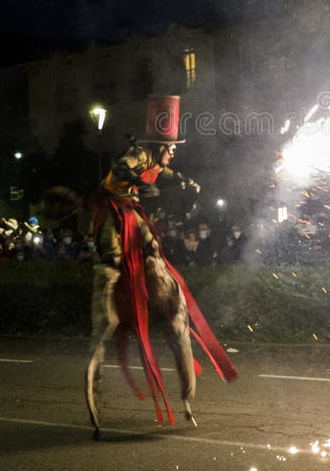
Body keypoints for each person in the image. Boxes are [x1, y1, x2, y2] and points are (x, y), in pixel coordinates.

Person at [85, 98, 237, 435]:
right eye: (172, 149)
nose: (173, 154)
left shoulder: (157, 161)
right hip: (113, 209)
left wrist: (185, 182)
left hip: (130, 209)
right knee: (110, 258)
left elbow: (167, 173)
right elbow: (122, 169)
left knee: (151, 245)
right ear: (162, 145)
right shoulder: (140, 154)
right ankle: (105, 302)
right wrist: (140, 183)